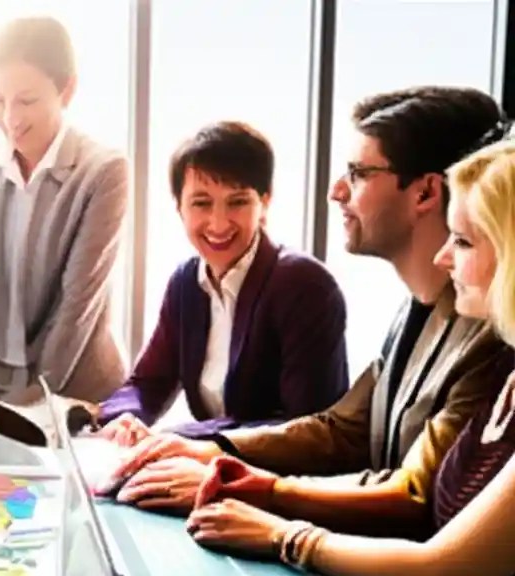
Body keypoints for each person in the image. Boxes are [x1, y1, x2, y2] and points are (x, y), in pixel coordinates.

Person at [106, 87, 510, 528]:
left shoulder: (489, 334)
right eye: (200, 203)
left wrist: (248, 490)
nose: (336, 191)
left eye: (357, 173)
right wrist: (212, 449)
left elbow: (415, 497)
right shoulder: (415, 309)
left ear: (426, 193)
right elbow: (342, 428)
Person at [187, 136, 515, 576]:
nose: (442, 256)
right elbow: (352, 433)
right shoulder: (502, 371)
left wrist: (280, 532)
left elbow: (441, 574)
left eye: (462, 241)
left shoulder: (481, 353)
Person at [0, 122, 350, 443]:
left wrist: (177, 439)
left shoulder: (302, 284)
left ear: (266, 202)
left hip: (278, 490)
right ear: (178, 206)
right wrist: (124, 419)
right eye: (201, 203)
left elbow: (304, 428)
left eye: (238, 201)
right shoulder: (186, 284)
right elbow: (147, 384)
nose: (218, 223)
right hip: (215, 474)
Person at [0, 16, 128, 405]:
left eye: (27, 100)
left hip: (77, 395)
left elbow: (76, 306)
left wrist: (27, 404)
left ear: (67, 91)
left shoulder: (103, 171)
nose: (11, 118)